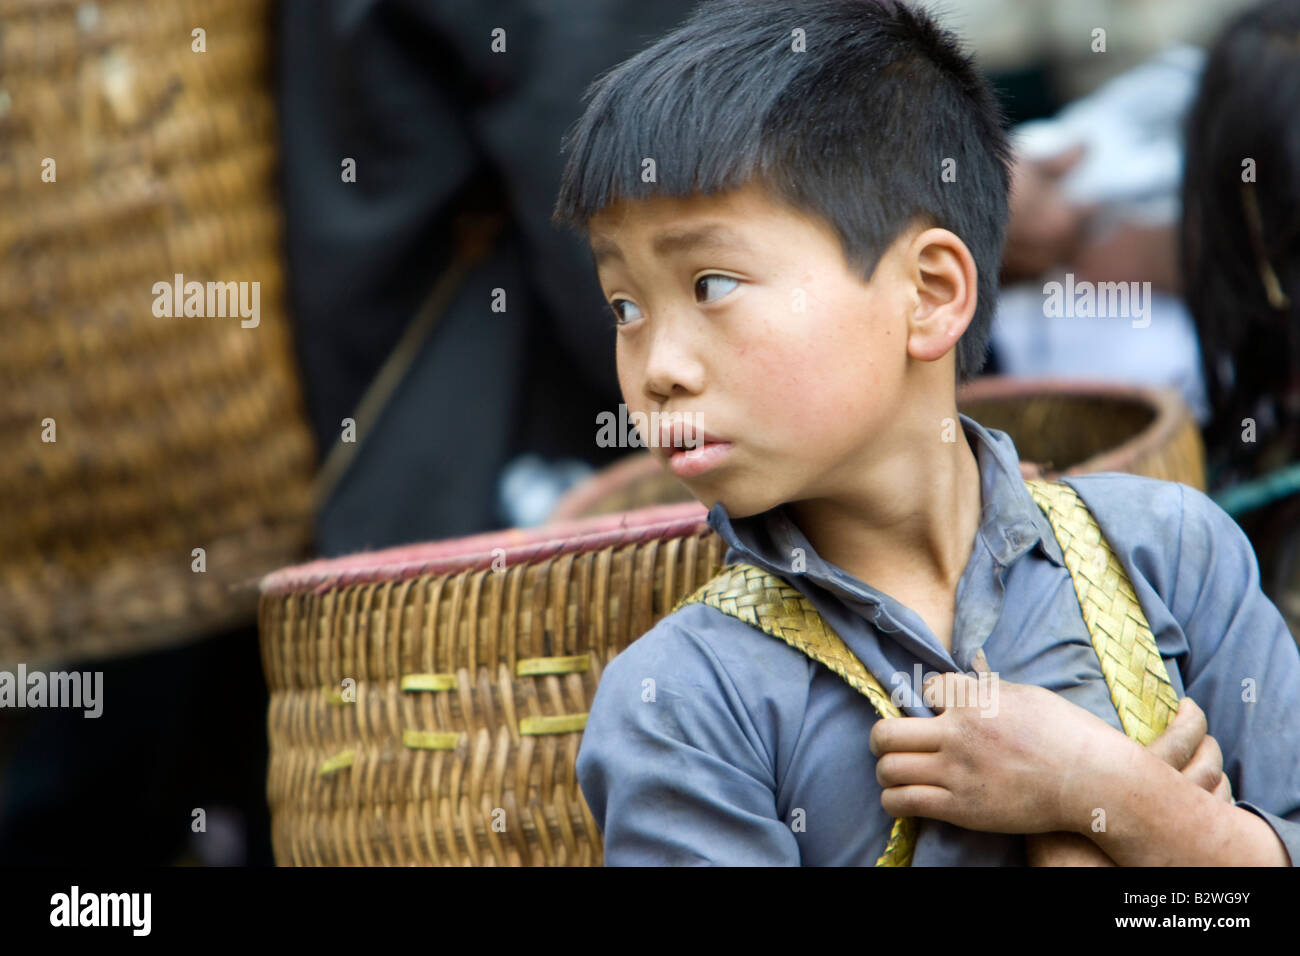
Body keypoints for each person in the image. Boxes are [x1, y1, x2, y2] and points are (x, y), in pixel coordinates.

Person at [551, 0, 1300, 865]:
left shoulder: (1173, 553)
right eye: (625, 306)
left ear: (932, 293)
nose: (658, 367)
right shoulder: (685, 703)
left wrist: (1121, 802)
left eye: (712, 283)